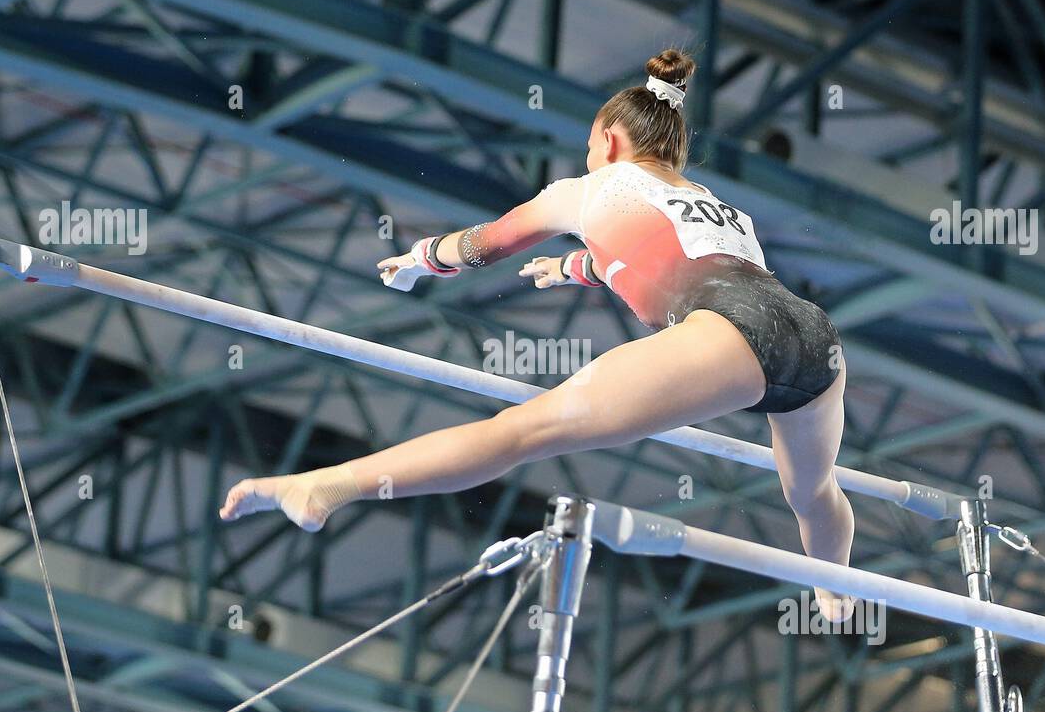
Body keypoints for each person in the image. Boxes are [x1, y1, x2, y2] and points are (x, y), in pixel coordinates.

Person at [220, 49, 856, 620]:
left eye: (588, 146)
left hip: (730, 334)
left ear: (607, 141)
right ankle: (835, 588)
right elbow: (678, 262)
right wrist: (575, 267)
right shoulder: (719, 204)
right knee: (811, 490)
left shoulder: (584, 190)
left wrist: (418, 258)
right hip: (811, 336)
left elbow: (483, 245)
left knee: (516, 432)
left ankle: (325, 485)